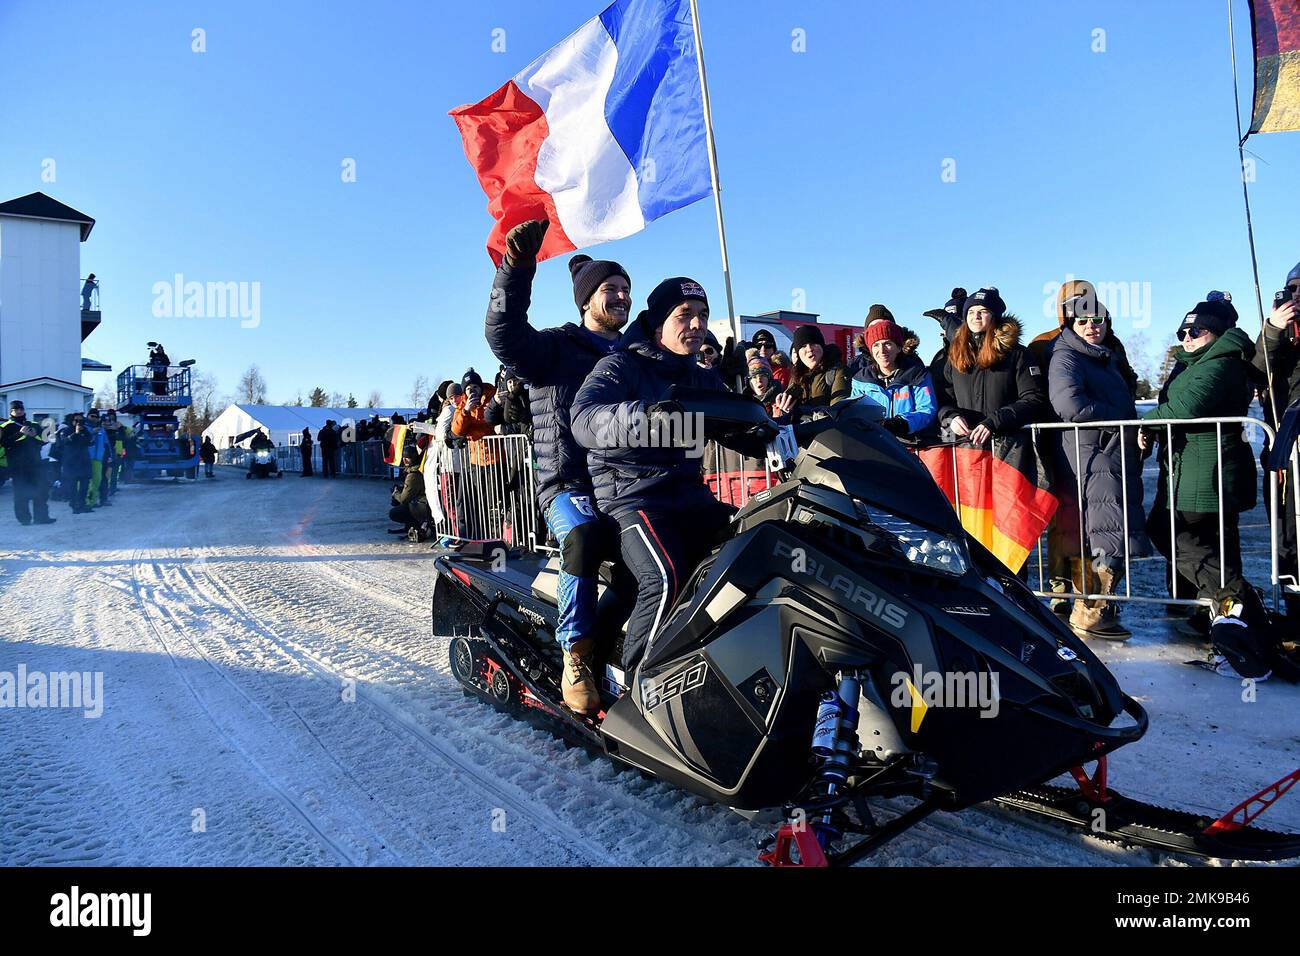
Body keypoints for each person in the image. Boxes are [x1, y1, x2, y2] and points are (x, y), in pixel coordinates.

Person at [483, 219, 636, 714]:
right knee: (585, 537)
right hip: (568, 485)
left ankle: (631, 650)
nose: (620, 297)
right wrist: (516, 268)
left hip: (627, 486)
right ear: (586, 300)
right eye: (610, 289)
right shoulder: (555, 348)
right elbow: (503, 335)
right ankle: (576, 652)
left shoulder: (636, 356)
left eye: (626, 290)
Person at [573, 276, 735, 674]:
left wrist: (788, 426)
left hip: (689, 496)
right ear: (660, 322)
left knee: (754, 549)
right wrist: (643, 414)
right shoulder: (622, 365)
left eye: (703, 315)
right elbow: (584, 418)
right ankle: (638, 691)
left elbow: (738, 418)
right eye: (685, 316)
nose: (697, 325)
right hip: (632, 498)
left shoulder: (701, 376)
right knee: (666, 577)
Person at [1139, 293, 1275, 673]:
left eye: (1195, 330)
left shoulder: (1222, 364)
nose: (1186, 336)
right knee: (1209, 542)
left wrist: (1145, 423)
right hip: (1189, 470)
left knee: (1170, 532)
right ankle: (1221, 620)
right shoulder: (1196, 362)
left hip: (1208, 472)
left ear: (1215, 333)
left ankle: (1237, 601)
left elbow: (1186, 408)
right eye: (1183, 330)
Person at [1047, 292, 1148, 640]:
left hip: (1112, 452)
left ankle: (1093, 609)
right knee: (1106, 531)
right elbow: (1068, 403)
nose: (1091, 327)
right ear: (1072, 325)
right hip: (1093, 454)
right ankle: (1089, 612)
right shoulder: (1067, 356)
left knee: (1110, 530)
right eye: (1083, 321)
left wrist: (1132, 431)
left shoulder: (1106, 357)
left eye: (1098, 320)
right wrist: (1117, 422)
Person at [936, 287, 1047, 447]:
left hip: (1008, 447)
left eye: (983, 311)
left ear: (995, 316)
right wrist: (951, 417)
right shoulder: (955, 355)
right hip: (966, 448)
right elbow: (942, 398)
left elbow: (1033, 398)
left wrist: (995, 421)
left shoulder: (1017, 354)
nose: (976, 316)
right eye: (971, 312)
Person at [1255, 260, 1300, 617]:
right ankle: (1293, 604)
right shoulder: (1278, 335)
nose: (1297, 297)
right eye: (1293, 289)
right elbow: (1257, 372)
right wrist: (1272, 329)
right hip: (1286, 450)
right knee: (1287, 532)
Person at [849, 319, 938, 439]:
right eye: (876, 345)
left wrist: (902, 424)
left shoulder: (917, 375)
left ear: (899, 347)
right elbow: (854, 415)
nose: (881, 350)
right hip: (875, 445)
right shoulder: (861, 380)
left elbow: (927, 411)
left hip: (911, 445)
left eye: (887, 344)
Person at [2, 400, 55, 525]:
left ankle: (41, 517)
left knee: (41, 491)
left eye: (21, 409)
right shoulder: (6, 426)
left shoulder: (33, 424)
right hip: (17, 466)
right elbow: (4, 443)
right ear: (11, 411)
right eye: (16, 409)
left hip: (35, 464)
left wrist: (34, 435)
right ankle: (24, 519)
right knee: (21, 493)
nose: (19, 411)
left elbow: (45, 440)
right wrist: (20, 434)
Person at [786, 324, 850, 414]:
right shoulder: (796, 376)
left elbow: (838, 410)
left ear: (822, 346)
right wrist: (784, 409)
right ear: (798, 353)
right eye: (803, 346)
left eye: (813, 343)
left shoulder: (837, 371)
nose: (809, 349)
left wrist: (804, 412)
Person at [389, 445, 432, 536]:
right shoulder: (418, 469)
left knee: (394, 513)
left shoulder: (413, 475)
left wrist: (395, 493)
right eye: (404, 457)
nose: (405, 460)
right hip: (425, 504)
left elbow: (404, 499)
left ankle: (415, 524)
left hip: (423, 507)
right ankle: (410, 526)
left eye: (408, 458)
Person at [57, 412, 93, 512]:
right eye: (76, 420)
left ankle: (82, 504)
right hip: (71, 461)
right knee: (72, 485)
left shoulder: (85, 430)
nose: (78, 423)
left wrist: (84, 434)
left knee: (84, 485)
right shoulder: (66, 430)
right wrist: (75, 434)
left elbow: (90, 441)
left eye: (81, 421)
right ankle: (74, 505)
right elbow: (63, 442)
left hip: (83, 460)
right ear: (72, 421)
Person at [84, 408, 111, 508]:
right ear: (88, 416)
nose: (94, 418)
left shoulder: (101, 429)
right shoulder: (84, 427)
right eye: (92, 416)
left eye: (96, 416)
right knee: (86, 480)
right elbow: (82, 440)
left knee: (97, 480)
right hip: (86, 457)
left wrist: (109, 456)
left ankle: (93, 501)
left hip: (98, 458)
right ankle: (85, 501)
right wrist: (92, 433)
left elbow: (106, 443)